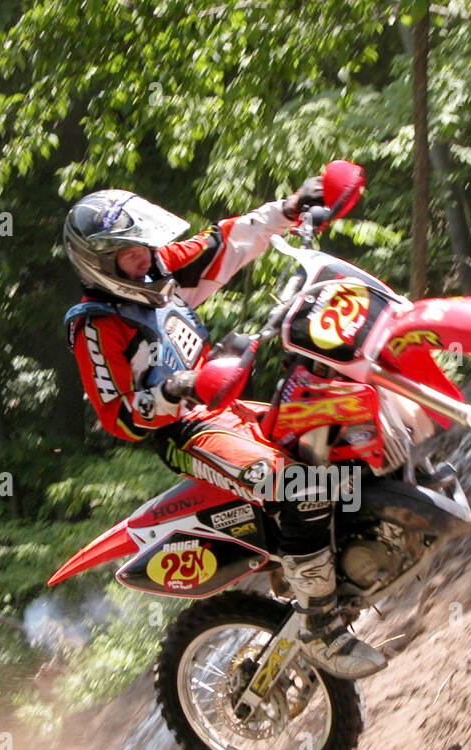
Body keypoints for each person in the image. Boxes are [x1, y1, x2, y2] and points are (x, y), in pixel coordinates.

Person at [61, 185, 386, 680]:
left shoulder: (160, 269)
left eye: (143, 246)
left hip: (228, 405)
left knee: (338, 419)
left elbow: (227, 242)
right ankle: (320, 625)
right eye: (129, 254)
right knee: (298, 487)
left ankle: (353, 551)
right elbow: (119, 416)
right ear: (99, 263)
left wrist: (290, 207)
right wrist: (180, 386)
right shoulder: (96, 325)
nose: (143, 259)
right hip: (186, 431)